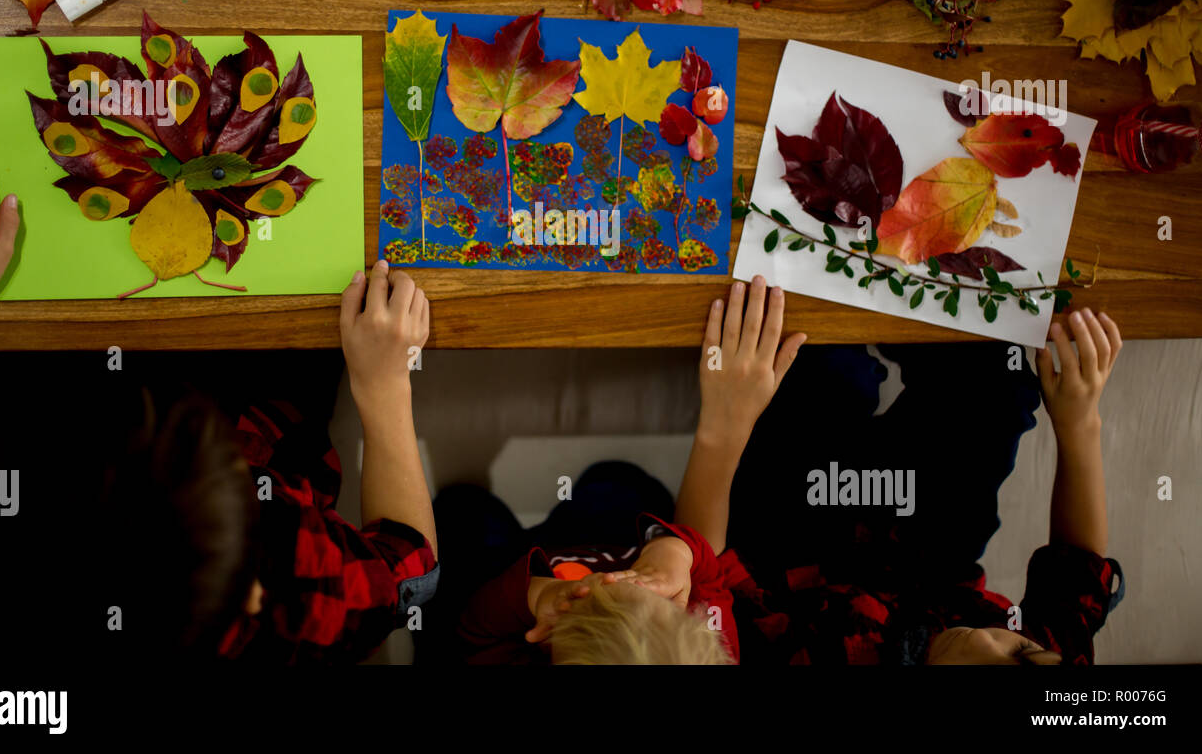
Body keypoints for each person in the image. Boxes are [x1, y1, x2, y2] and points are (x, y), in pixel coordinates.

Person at [0, 173, 437, 663]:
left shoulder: (5, 590)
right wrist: (385, 383)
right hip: (271, 398)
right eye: (233, 469)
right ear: (256, 594)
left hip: (77, 392)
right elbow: (414, 570)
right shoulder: (300, 592)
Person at [724, 291, 1125, 666]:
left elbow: (714, 579)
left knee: (822, 366)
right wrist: (1079, 423)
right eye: (1019, 650)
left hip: (796, 543)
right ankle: (894, 296)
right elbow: (1076, 581)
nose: (984, 641)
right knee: (997, 375)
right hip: (933, 551)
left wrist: (727, 423)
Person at [424, 275, 806, 665]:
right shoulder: (709, 650)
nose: (620, 583)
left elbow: (471, 630)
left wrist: (541, 598)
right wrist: (674, 552)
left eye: (602, 596)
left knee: (459, 511)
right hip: (617, 538)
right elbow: (710, 568)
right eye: (669, 602)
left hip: (515, 582)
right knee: (618, 484)